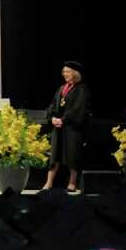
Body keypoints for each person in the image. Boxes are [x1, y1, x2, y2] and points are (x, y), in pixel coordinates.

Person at [42, 60, 88, 192]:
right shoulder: (62, 88)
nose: (64, 74)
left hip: (72, 127)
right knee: (54, 155)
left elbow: (78, 109)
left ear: (75, 73)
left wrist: (63, 119)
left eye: (67, 71)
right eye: (63, 72)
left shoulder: (82, 89)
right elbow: (52, 105)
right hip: (58, 126)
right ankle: (48, 183)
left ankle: (72, 183)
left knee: (73, 155)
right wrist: (52, 118)